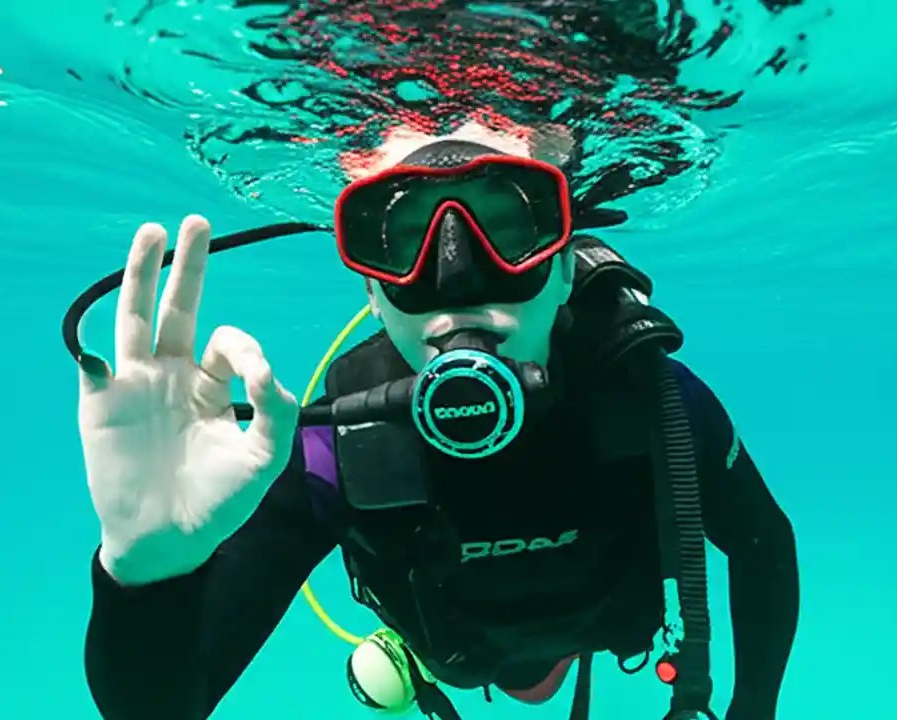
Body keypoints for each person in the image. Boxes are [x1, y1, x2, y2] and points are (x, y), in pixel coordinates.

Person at [73, 125, 800, 720]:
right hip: (458, 650)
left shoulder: (645, 395)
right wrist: (145, 572)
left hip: (539, 630)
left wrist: (754, 711)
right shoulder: (340, 445)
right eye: (404, 238)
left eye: (509, 226)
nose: (453, 277)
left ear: (564, 259)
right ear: (372, 283)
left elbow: (765, 543)